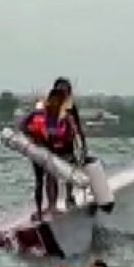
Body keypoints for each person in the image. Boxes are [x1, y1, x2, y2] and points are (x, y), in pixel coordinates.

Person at [20, 88, 77, 220]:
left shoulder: (58, 116)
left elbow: (68, 135)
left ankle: (47, 208)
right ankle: (45, 209)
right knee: (45, 180)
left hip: (44, 151)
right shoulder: (43, 114)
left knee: (46, 179)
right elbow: (23, 126)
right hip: (41, 151)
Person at [51, 77, 87, 207]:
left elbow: (78, 127)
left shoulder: (71, 107)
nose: (63, 92)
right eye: (60, 89)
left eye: (65, 90)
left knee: (69, 171)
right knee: (52, 174)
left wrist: (83, 146)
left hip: (67, 144)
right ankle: (52, 203)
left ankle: (69, 198)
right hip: (52, 145)